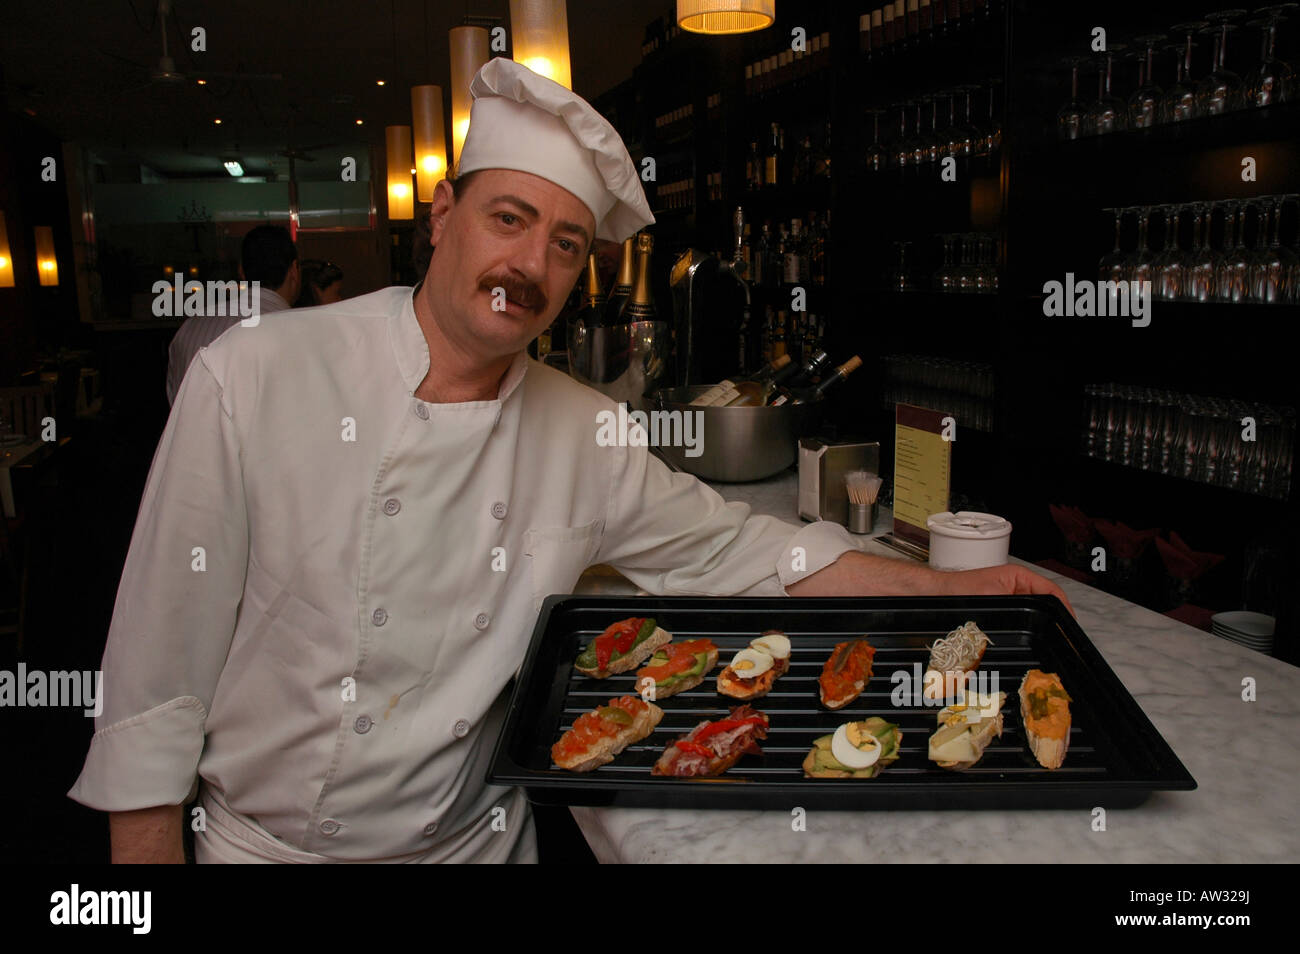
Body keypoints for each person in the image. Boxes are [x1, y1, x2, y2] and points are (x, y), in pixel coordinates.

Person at [70, 58, 1072, 864]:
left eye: (564, 245)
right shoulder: (255, 377)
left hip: (470, 850)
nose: (528, 267)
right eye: (508, 219)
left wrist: (965, 589)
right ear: (442, 216)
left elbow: (747, 554)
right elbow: (154, 693)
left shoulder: (583, 427)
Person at [164, 225, 299, 406]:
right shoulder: (296, 334)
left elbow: (175, 405)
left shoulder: (190, 327)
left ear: (241, 271)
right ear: (294, 271)